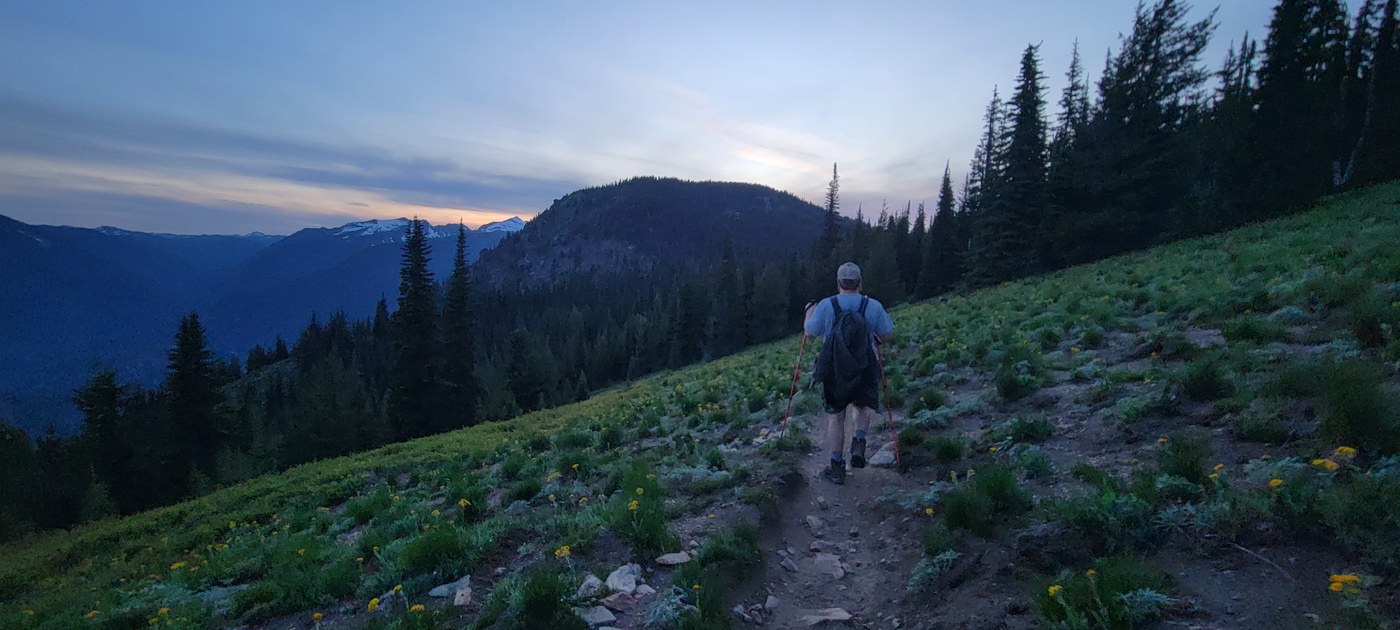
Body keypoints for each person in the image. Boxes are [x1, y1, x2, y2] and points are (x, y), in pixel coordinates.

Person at [803, 262, 895, 484]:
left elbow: (810, 333)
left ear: (839, 283)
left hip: (835, 368)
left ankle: (836, 467)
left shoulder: (827, 305)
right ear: (859, 283)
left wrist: (808, 312)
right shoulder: (872, 305)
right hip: (865, 364)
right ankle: (859, 442)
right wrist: (876, 339)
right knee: (861, 405)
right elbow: (888, 334)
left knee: (836, 416)